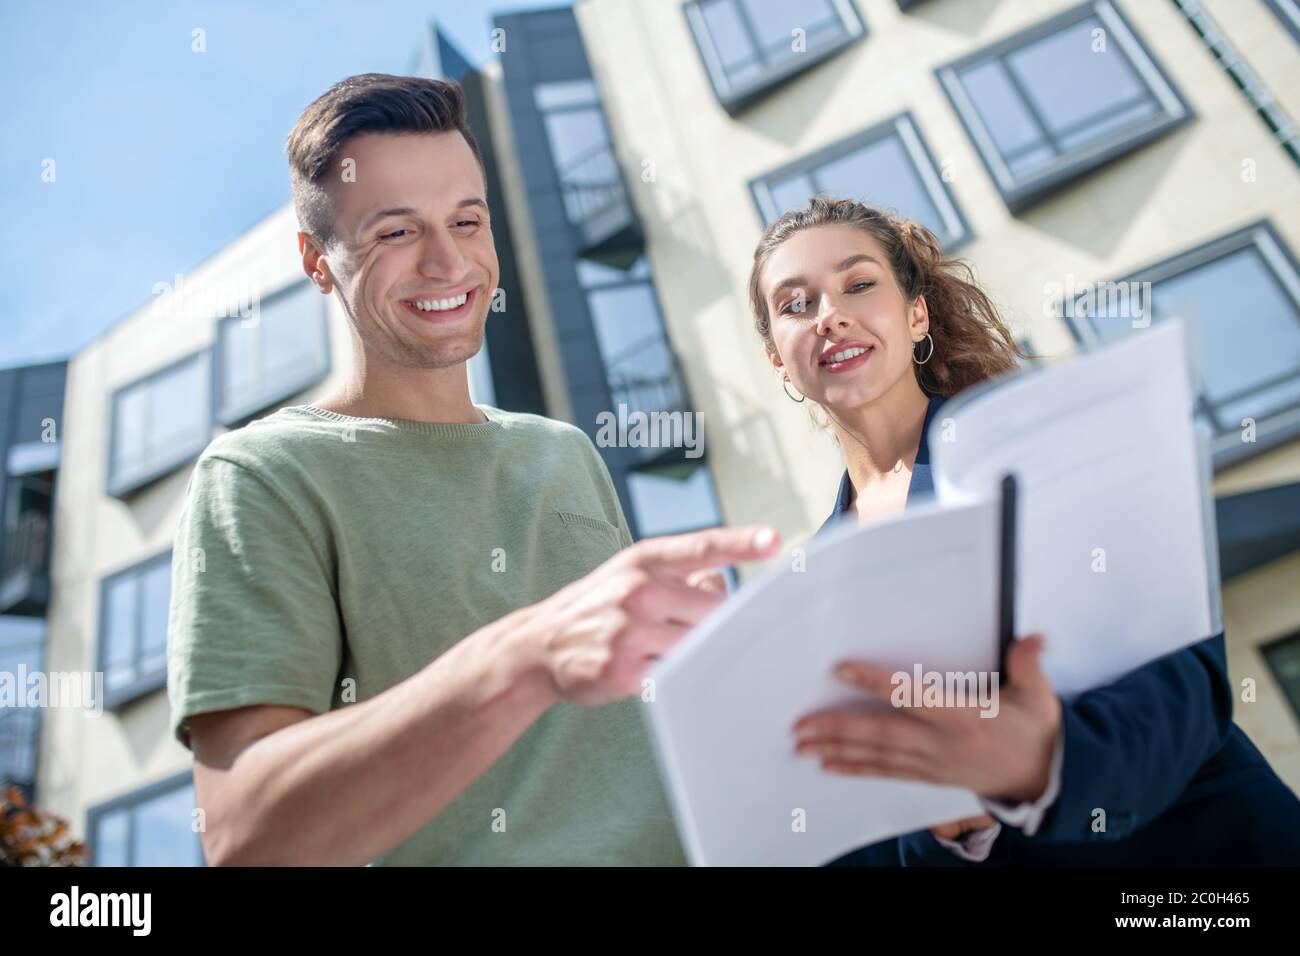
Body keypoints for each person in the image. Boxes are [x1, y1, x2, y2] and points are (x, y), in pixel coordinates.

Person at [166, 73, 780, 867]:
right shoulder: (261, 474)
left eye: (467, 220)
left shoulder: (562, 452)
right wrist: (524, 660)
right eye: (396, 232)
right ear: (318, 262)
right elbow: (246, 833)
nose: (449, 262)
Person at [747, 194, 1300, 864]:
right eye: (795, 304)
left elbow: (1185, 675)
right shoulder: (812, 588)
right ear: (778, 355)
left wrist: (1045, 763)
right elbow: (862, 835)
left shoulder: (1055, 444)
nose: (829, 316)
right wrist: (947, 831)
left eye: (859, 285)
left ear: (915, 313)